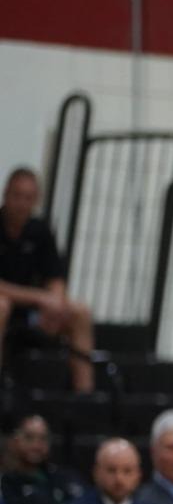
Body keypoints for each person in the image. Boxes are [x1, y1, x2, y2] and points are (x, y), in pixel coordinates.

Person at [0, 168, 95, 392]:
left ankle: (85, 397)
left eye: (28, 198)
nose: (22, 203)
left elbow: (55, 277)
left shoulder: (40, 231)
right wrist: (39, 298)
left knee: (80, 312)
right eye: (17, 196)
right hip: (8, 308)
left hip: (31, 314)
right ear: (5, 194)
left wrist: (55, 303)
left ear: (36, 200)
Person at [3, 413, 84, 504]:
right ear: (16, 440)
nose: (36, 446)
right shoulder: (7, 482)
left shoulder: (65, 477)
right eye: (29, 438)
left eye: (43, 439)